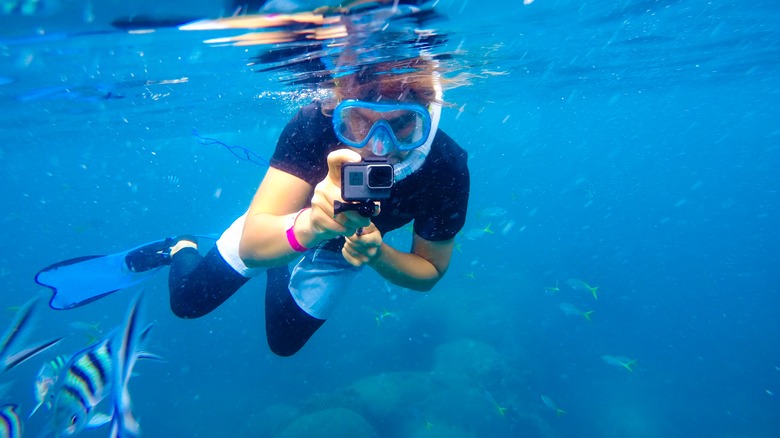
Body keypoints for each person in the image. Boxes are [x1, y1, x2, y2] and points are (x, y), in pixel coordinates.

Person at [36, 4, 469, 358]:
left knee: (283, 342)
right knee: (188, 302)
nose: (378, 147)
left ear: (425, 120)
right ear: (340, 111)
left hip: (351, 250)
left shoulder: (446, 165)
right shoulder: (313, 124)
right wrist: (310, 226)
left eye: (401, 127)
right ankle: (180, 246)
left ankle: (279, 265)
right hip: (290, 224)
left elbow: (429, 272)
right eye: (358, 123)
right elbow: (255, 239)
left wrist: (375, 255)